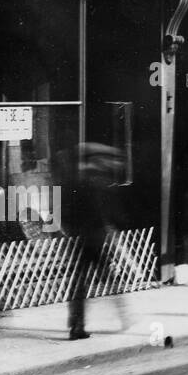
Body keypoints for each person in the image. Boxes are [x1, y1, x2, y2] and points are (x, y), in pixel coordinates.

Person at [63, 144, 125, 340]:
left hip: (81, 238)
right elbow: (107, 213)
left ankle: (76, 324)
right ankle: (123, 315)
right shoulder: (99, 184)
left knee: (80, 282)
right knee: (106, 277)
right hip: (94, 238)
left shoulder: (78, 184)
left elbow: (68, 213)